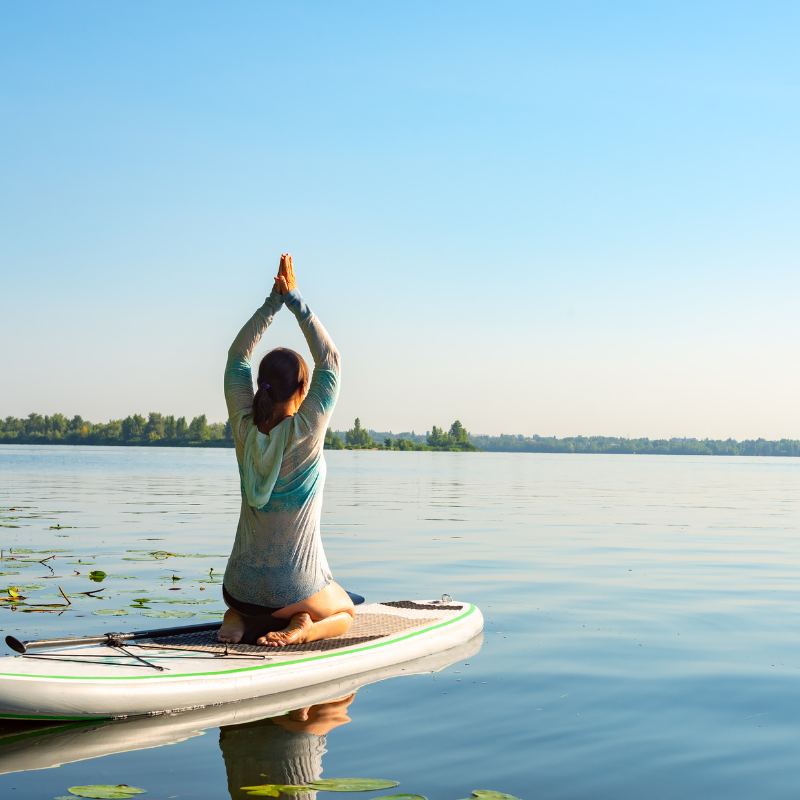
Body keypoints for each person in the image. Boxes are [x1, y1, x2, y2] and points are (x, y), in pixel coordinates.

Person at [217, 254, 354, 647]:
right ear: (302, 389)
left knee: (253, 603)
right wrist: (294, 298)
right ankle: (305, 627)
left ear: (261, 385)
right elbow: (331, 360)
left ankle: (237, 618)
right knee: (346, 611)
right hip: (295, 588)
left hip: (237, 588)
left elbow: (237, 358)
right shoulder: (306, 430)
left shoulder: (244, 427)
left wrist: (271, 304)